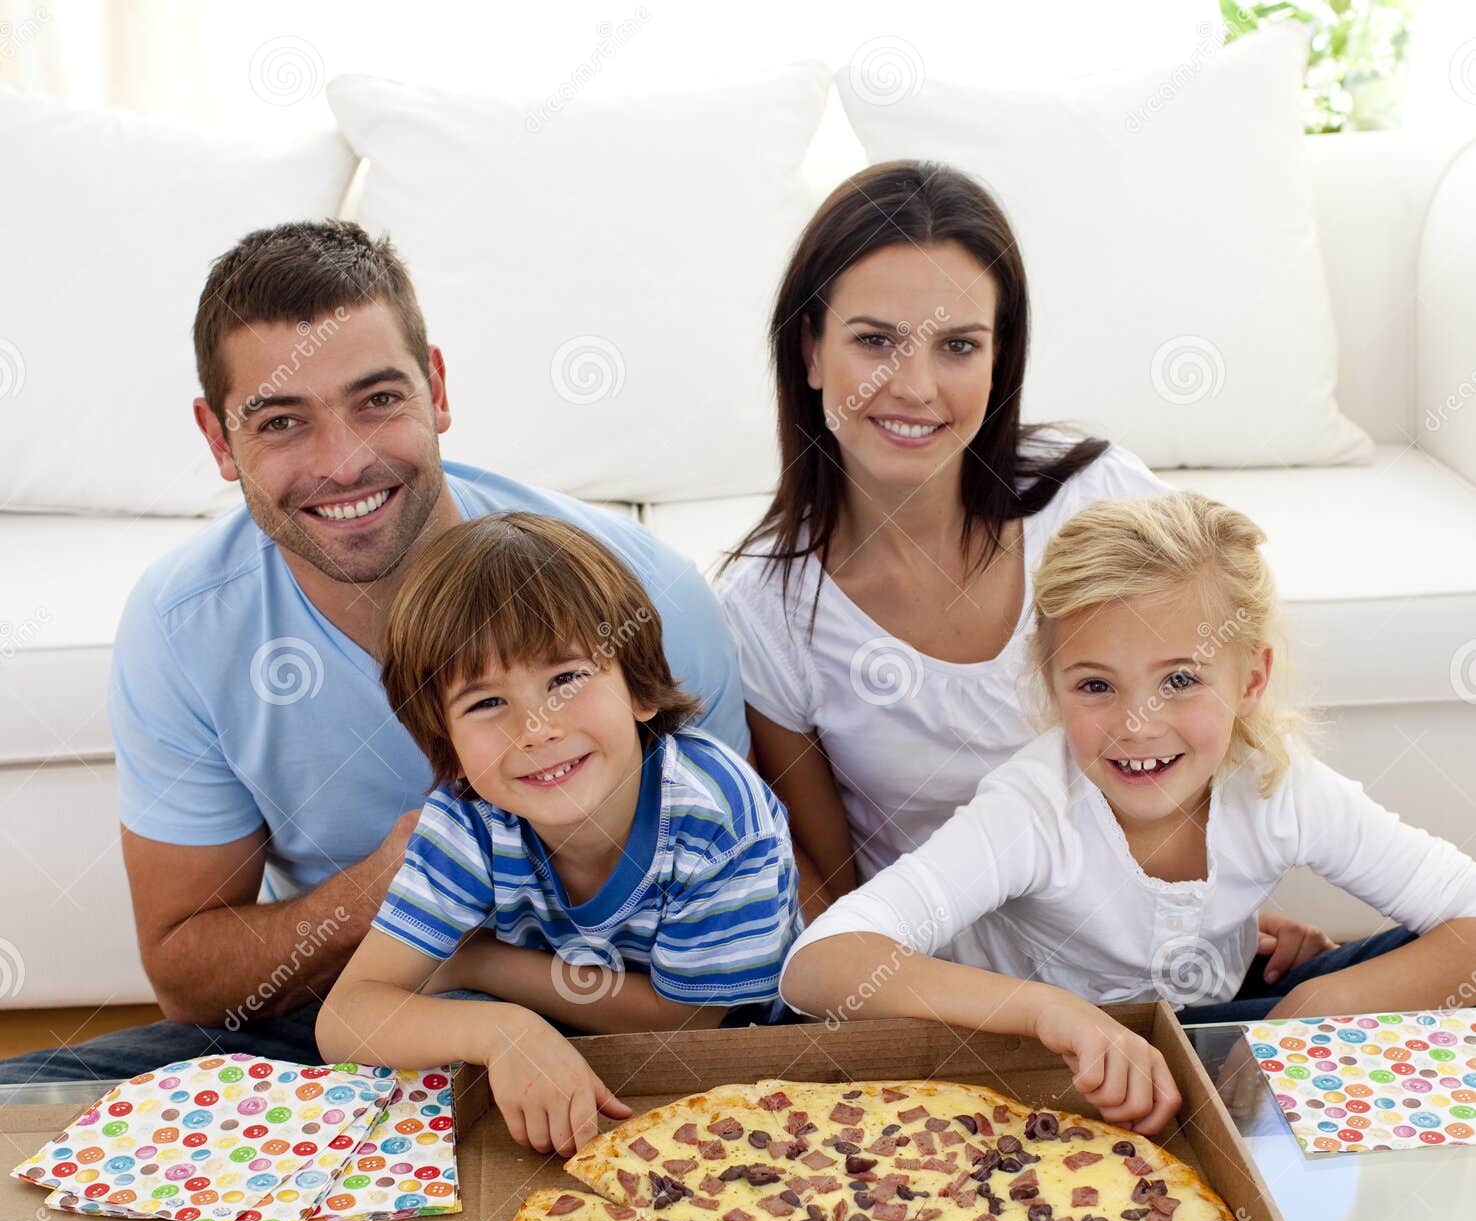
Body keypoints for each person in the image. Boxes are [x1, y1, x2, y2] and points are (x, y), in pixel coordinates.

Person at [0, 221, 748, 1086]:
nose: (345, 462)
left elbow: (727, 904)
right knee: (25, 1104)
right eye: (282, 422)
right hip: (357, 1017)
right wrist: (390, 884)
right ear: (217, 440)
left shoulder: (639, 590)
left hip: (621, 1019)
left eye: (378, 400)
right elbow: (187, 977)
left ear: (435, 388)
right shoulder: (182, 627)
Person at [717, 159, 1328, 987]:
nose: (917, 386)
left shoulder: (1095, 498)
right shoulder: (768, 609)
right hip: (966, 1003)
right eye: (874, 341)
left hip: (1153, 971)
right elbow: (829, 884)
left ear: (1000, 359)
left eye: (958, 345)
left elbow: (1216, 718)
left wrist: (1211, 909)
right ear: (810, 351)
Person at [778, 492, 1476, 1137]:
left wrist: (1315, 1010)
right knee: (792, 1024)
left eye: (1180, 679)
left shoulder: (1278, 784)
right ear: (1052, 685)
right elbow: (818, 964)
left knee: (1393, 967)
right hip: (1039, 1060)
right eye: (1095, 686)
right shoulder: (1035, 806)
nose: (1138, 725)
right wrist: (1048, 1010)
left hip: (1206, 1021)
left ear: (1250, 681)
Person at [316, 512, 801, 1156]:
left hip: (735, 1070)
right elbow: (345, 1019)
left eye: (566, 679)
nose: (535, 728)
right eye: (486, 703)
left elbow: (686, 1023)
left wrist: (477, 960)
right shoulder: (468, 820)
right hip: (552, 1052)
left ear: (638, 685)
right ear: (449, 744)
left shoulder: (716, 817)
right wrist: (501, 1032)